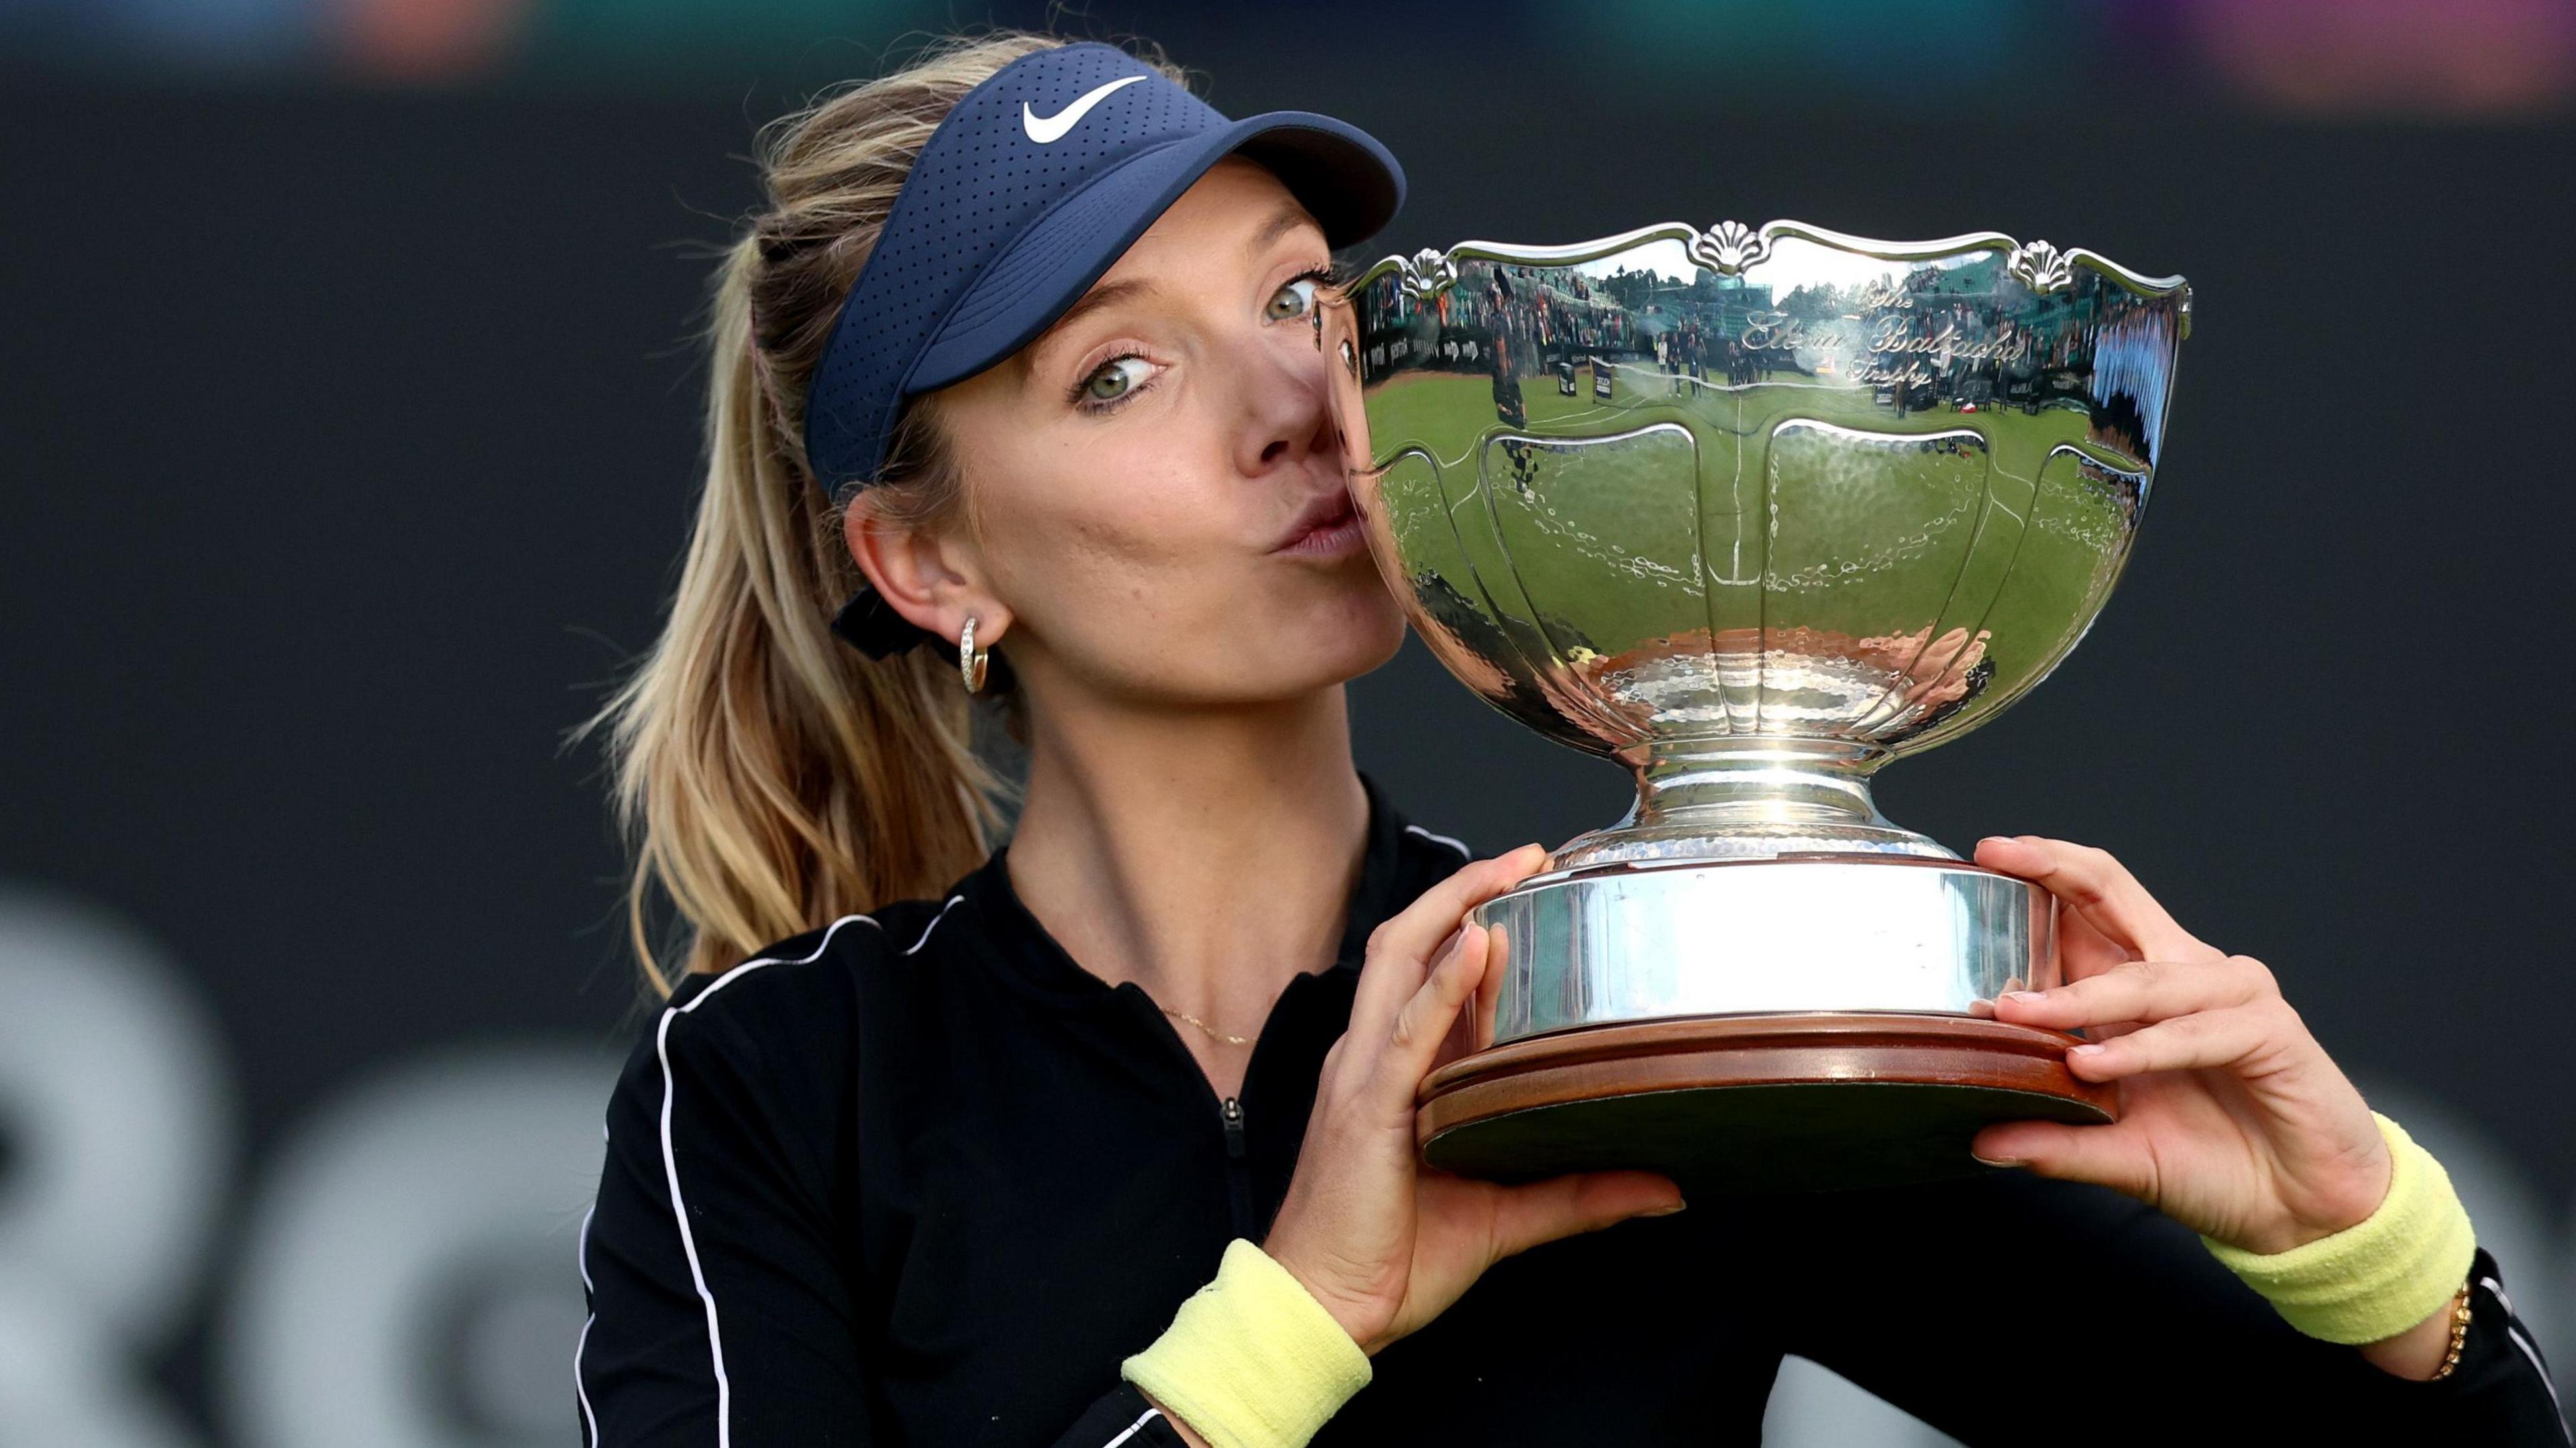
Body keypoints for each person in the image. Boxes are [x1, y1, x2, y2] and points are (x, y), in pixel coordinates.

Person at [572, 32, 2568, 1448]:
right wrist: (1293, 1327)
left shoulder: (1632, 1023)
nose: (1291, 397)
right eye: (1118, 370)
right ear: (927, 561)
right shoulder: (771, 1092)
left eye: (1292, 293)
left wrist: (2366, 1250)